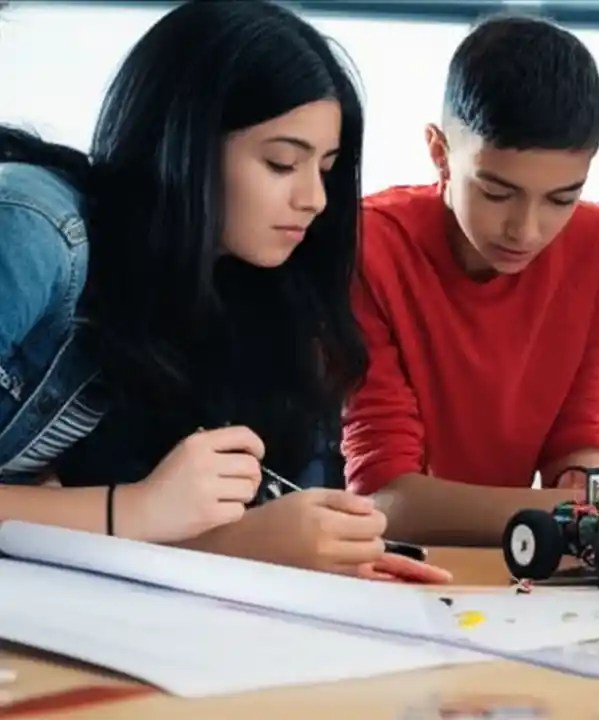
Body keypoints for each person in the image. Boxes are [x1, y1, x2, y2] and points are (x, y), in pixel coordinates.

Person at [0, 0, 448, 582]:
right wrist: (134, 510)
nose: (314, 198)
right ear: (183, 143)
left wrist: (305, 548)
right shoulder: (34, 233)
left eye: (327, 169)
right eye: (282, 163)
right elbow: (127, 517)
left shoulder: (253, 292)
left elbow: (106, 531)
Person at [341, 14, 599, 546]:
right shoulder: (369, 245)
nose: (527, 230)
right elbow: (384, 499)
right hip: (383, 566)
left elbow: (579, 437)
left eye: (562, 198)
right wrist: (578, 509)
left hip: (513, 558)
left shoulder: (596, 240)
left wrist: (581, 486)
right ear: (440, 152)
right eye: (497, 193)